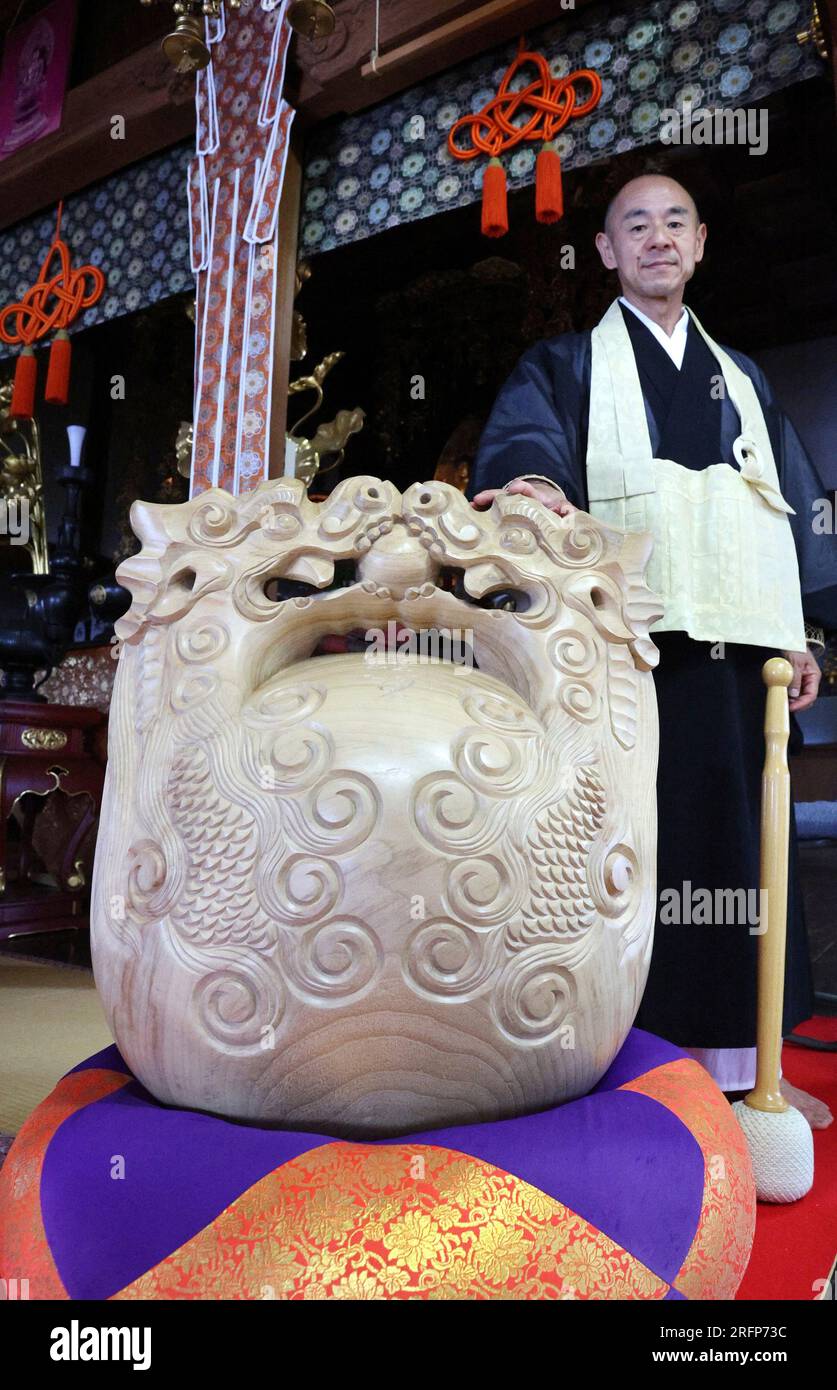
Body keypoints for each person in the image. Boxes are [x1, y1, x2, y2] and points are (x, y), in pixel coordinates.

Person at [470, 173, 836, 1127]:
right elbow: (525, 447)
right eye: (635, 225)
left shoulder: (745, 381)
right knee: (640, 848)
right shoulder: (568, 365)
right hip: (636, 654)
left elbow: (793, 508)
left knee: (754, 852)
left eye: (674, 223)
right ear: (606, 252)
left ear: (701, 243)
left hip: (746, 658)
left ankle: (758, 1064)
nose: (657, 239)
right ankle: (648, 1064)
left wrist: (808, 633)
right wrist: (534, 486)